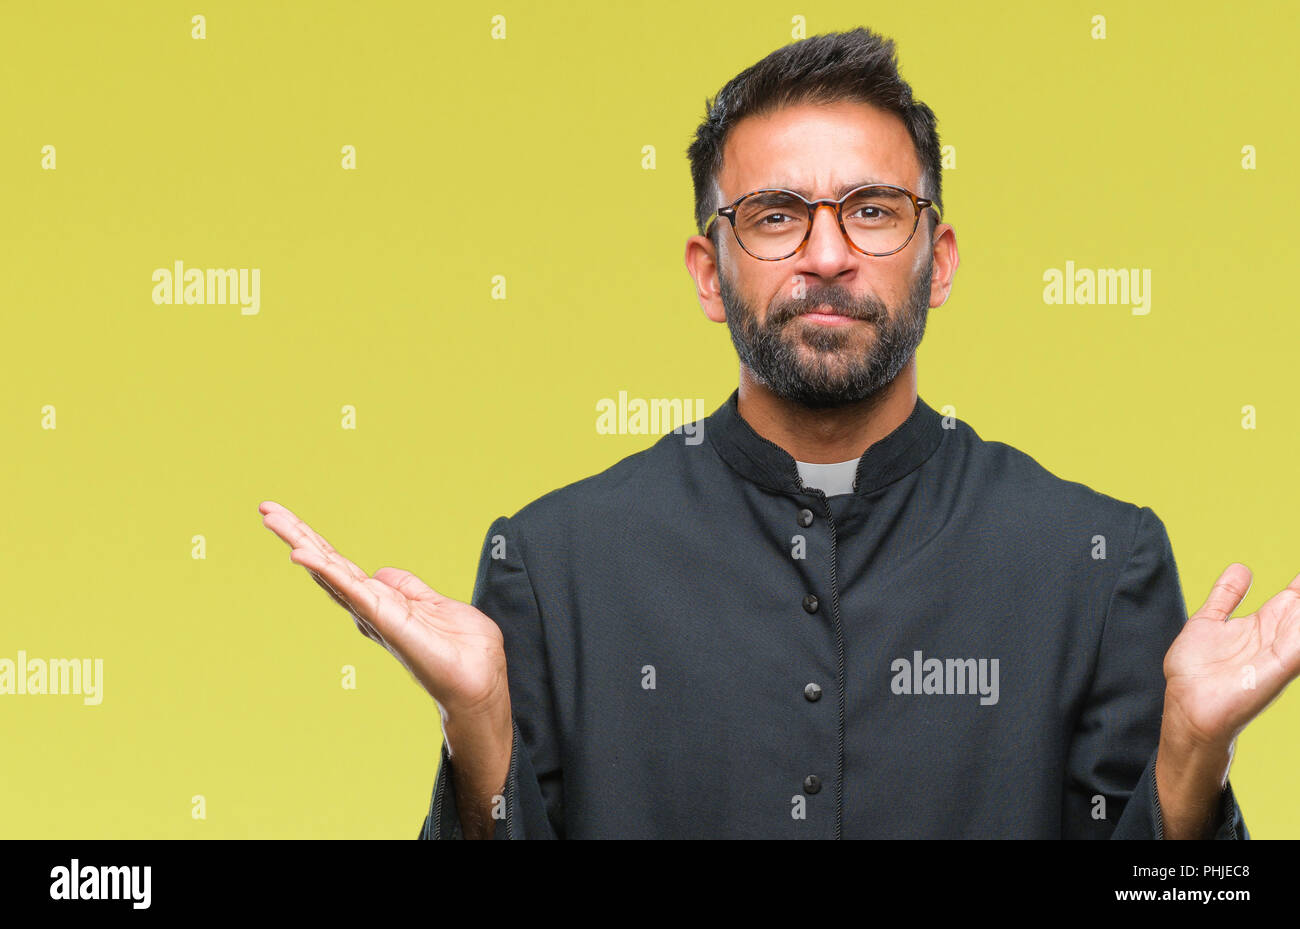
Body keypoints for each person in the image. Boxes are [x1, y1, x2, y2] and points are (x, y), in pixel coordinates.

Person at [260, 26, 1299, 839]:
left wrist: (1190, 762)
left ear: (936, 258)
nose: (828, 254)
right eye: (774, 215)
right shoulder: (552, 564)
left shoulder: (1098, 564)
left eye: (873, 210)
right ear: (710, 274)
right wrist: (478, 726)